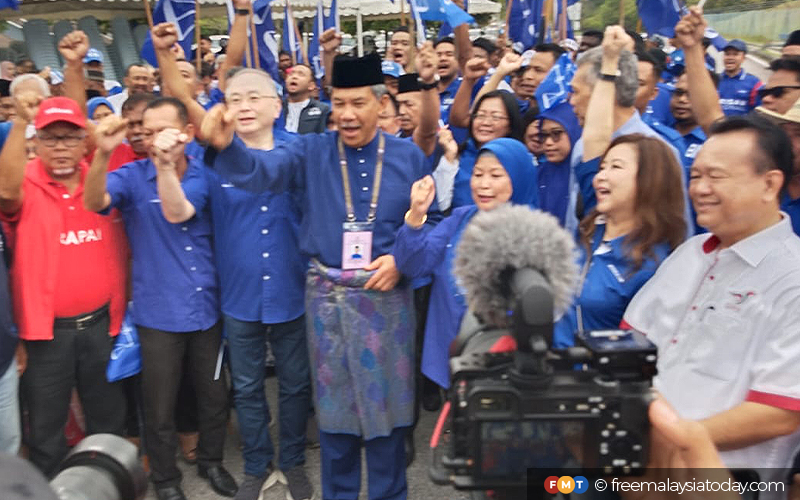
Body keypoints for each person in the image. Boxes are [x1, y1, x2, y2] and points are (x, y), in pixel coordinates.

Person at [201, 51, 435, 500]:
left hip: (386, 300)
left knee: (386, 422)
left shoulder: (407, 157)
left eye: (358, 103)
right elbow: (260, 172)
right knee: (335, 420)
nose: (347, 114)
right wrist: (227, 145)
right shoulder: (309, 151)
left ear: (380, 102)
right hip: (328, 300)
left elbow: (432, 226)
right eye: (339, 103)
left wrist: (400, 260)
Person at [150, 20, 314, 500]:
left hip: (293, 289)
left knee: (295, 384)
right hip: (239, 296)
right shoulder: (211, 159)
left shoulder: (302, 152)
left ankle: (292, 460)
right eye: (234, 97)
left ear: (277, 105)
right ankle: (258, 465)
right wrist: (166, 170)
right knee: (245, 387)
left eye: (254, 97)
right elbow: (181, 209)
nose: (243, 105)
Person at [622, 114, 800, 499]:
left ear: (769, 184)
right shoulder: (690, 253)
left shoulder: (793, 278)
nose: (700, 189)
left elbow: (781, 413)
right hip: (641, 468)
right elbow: (628, 345)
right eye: (696, 175)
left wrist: (677, 439)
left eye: (716, 176)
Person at [83, 98, 236, 500]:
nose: (152, 140)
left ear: (187, 133)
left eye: (162, 131)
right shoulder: (132, 176)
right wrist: (101, 154)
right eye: (146, 133)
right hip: (158, 312)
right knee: (159, 405)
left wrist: (168, 168)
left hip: (207, 307)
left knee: (214, 395)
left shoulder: (203, 171)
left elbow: (179, 210)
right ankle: (166, 479)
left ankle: (212, 461)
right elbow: (94, 202)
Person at [0, 95, 127, 476]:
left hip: (101, 326)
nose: (60, 147)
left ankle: (107, 483)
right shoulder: (24, 182)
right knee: (47, 427)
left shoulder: (100, 179)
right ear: (35, 142)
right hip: (47, 335)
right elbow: (5, 193)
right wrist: (20, 122)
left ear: (84, 141)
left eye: (70, 137)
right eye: (50, 137)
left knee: (108, 415)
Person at [393, 138, 537, 389]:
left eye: (496, 175)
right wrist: (416, 215)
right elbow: (412, 265)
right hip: (450, 355)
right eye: (478, 174)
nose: (483, 184)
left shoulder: (536, 235)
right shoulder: (460, 219)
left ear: (519, 178)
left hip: (502, 364)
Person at [553, 134, 686, 347]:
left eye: (615, 167)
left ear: (649, 180)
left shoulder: (655, 266)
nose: (600, 177)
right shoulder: (588, 232)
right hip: (549, 362)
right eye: (602, 167)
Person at [449, 90, 524, 209]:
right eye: (480, 115)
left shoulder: (520, 161)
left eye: (496, 117)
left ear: (511, 124)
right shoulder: (456, 155)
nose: (485, 123)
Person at [534, 102, 581, 226]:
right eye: (543, 135)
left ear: (574, 131)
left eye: (556, 134)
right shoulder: (536, 175)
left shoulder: (587, 175)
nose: (548, 142)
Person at [717, 39, 763, 116]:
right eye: (727, 54)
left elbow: (759, 111)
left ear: (743, 58)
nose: (730, 58)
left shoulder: (754, 82)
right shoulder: (713, 80)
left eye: (735, 54)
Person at [280, 64, 330, 134]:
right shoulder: (276, 107)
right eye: (291, 74)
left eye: (301, 74)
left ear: (311, 86)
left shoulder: (323, 110)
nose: (294, 77)